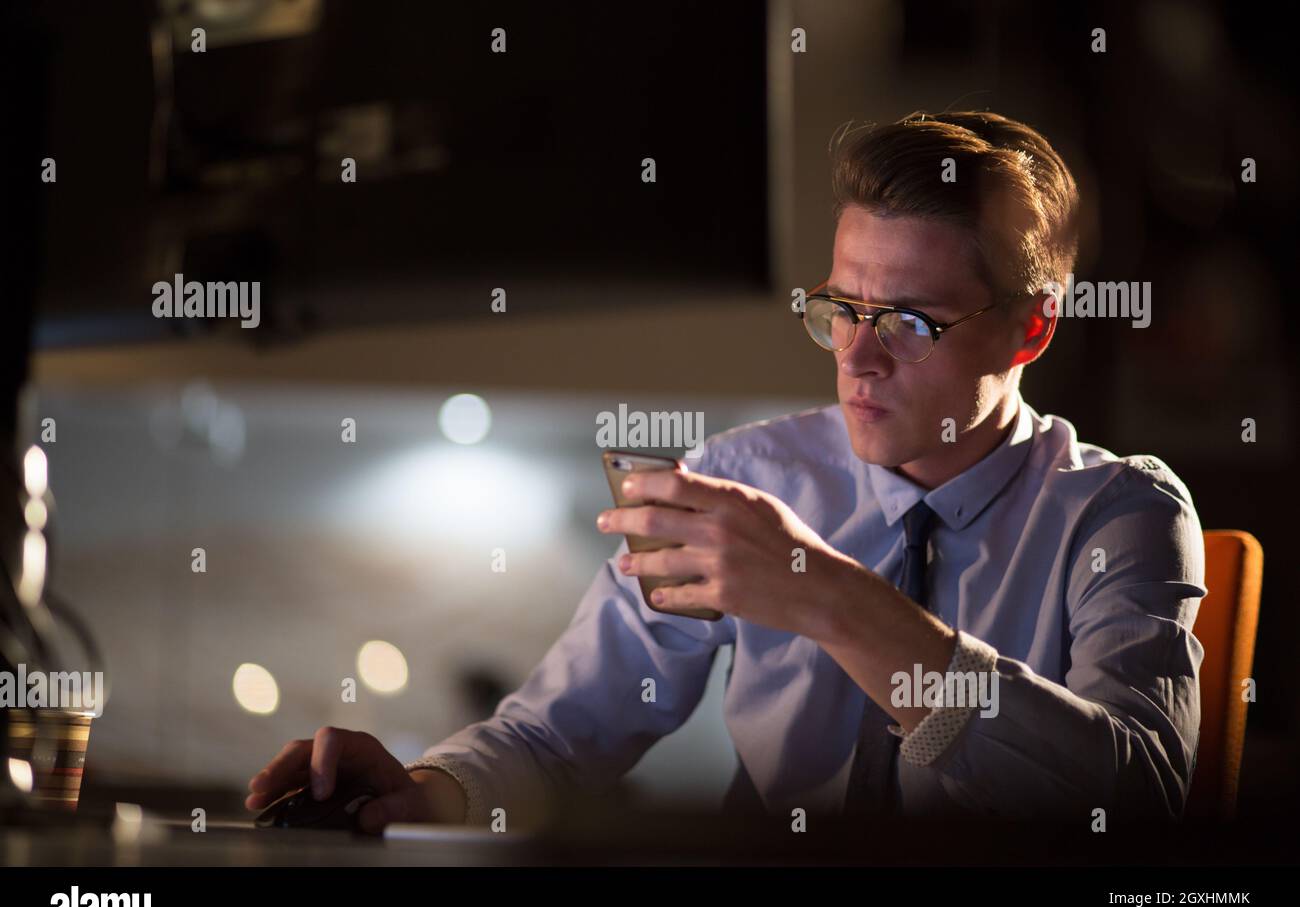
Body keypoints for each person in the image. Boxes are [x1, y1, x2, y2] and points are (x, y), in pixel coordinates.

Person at [246, 111, 1205, 833]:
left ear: (1031, 326)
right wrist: (423, 794)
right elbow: (554, 737)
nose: (857, 359)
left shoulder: (1118, 514)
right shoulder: (745, 477)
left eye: (912, 322)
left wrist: (829, 598)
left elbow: (1136, 804)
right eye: (843, 308)